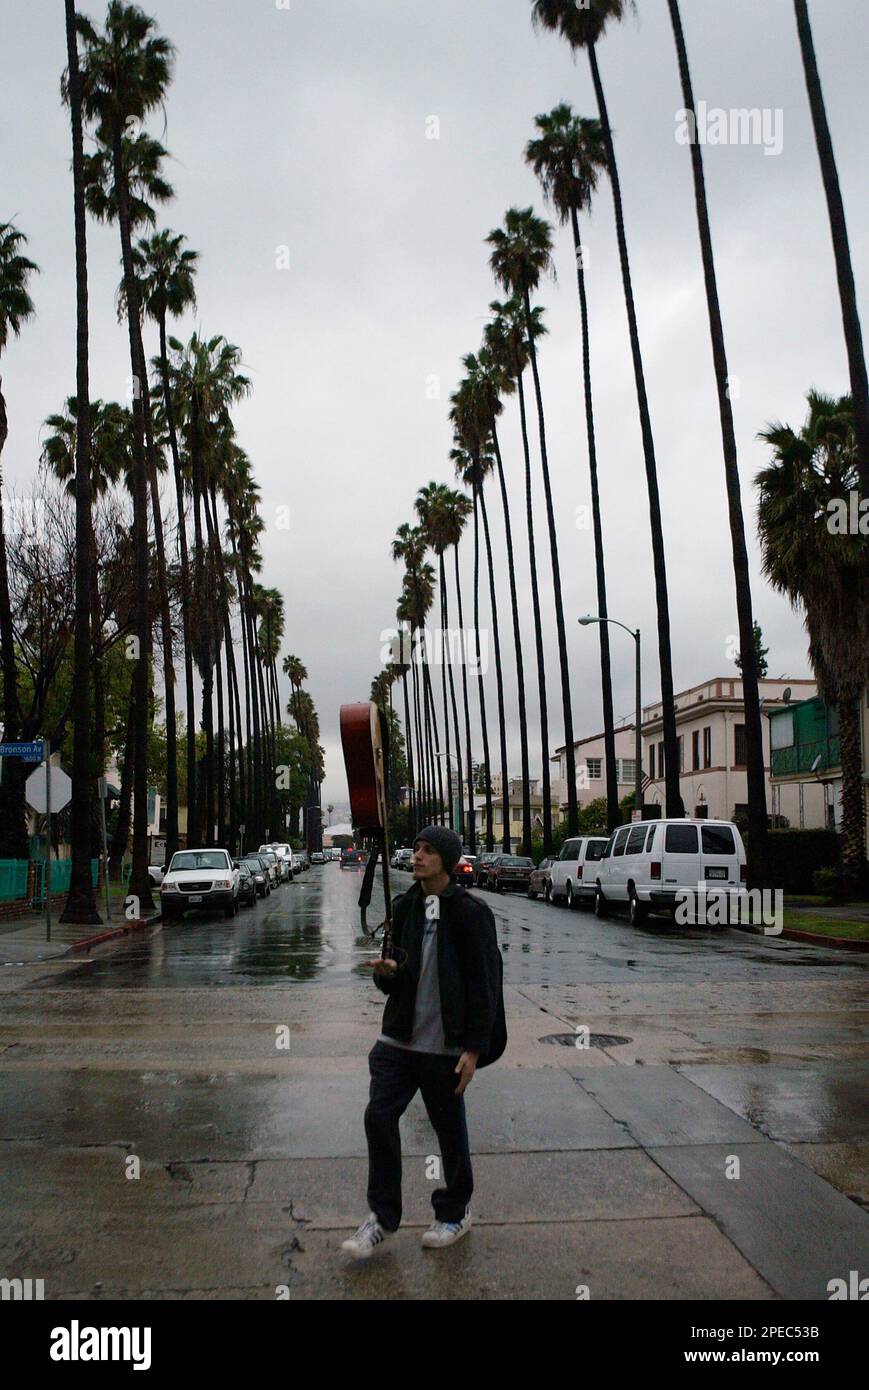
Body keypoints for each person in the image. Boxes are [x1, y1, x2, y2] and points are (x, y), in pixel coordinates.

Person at [342, 824, 506, 1259]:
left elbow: (485, 986)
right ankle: (382, 1217)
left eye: (428, 851)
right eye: (415, 848)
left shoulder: (471, 914)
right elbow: (394, 980)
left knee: (449, 1131)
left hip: (446, 1047)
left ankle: (455, 1211)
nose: (417, 856)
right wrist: (386, 973)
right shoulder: (405, 908)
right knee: (378, 1118)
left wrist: (473, 1049)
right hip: (397, 1041)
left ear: (446, 862)